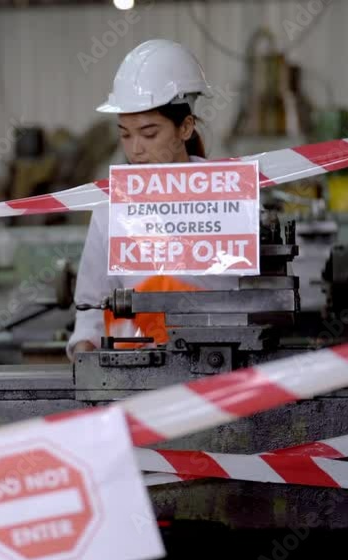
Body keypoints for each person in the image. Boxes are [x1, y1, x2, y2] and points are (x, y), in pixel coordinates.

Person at [66, 39, 238, 360]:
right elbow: (90, 305)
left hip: (217, 364)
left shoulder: (231, 199)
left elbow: (262, 297)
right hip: (131, 369)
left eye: (149, 134)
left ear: (185, 128)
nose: (135, 150)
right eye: (125, 134)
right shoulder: (111, 208)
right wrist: (84, 348)